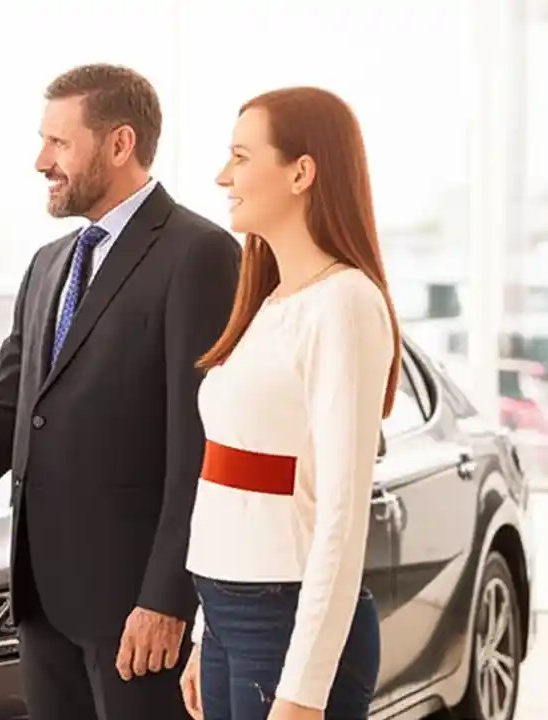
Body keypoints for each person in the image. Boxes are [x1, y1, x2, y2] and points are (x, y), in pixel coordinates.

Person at [0, 64, 241, 719]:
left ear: (120, 144)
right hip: (43, 601)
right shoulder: (49, 265)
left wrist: (166, 598)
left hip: (134, 609)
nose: (41, 161)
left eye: (58, 143)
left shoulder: (199, 254)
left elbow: (200, 445)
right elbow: (13, 405)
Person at [177, 87, 400, 720]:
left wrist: (303, 690)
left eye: (241, 157)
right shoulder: (271, 303)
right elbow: (226, 483)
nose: (224, 175)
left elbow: (340, 514)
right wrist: (204, 633)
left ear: (302, 172)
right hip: (229, 612)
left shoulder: (344, 304)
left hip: (284, 619)